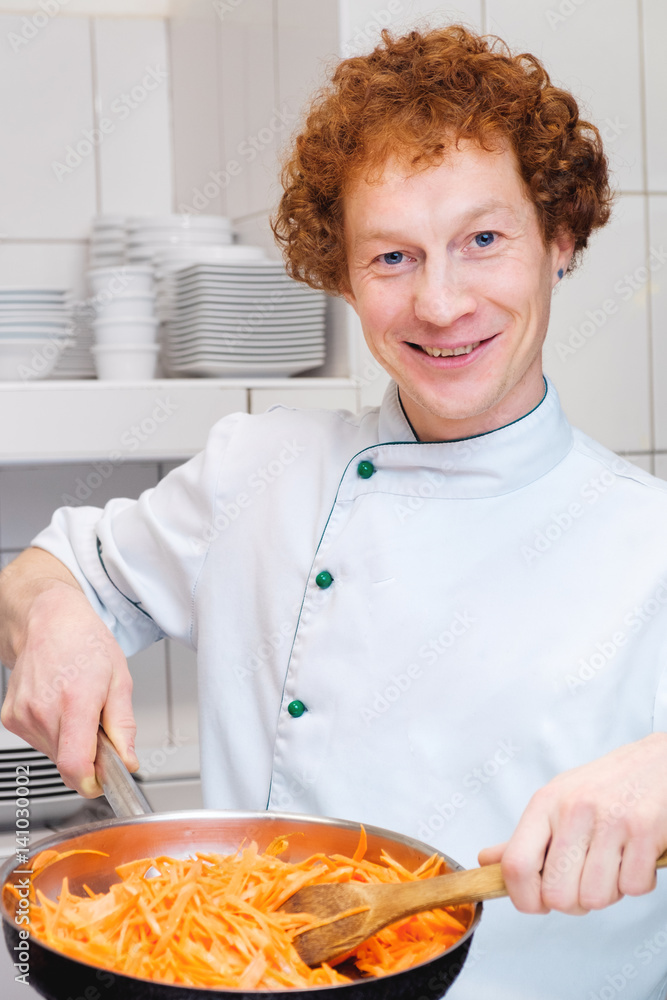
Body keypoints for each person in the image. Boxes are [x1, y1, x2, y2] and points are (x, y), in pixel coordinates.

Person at [2, 23, 667, 999]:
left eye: (482, 241)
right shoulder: (258, 469)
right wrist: (53, 615)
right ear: (343, 276)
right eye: (391, 256)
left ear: (558, 239)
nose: (439, 303)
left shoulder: (647, 540)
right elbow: (54, 570)